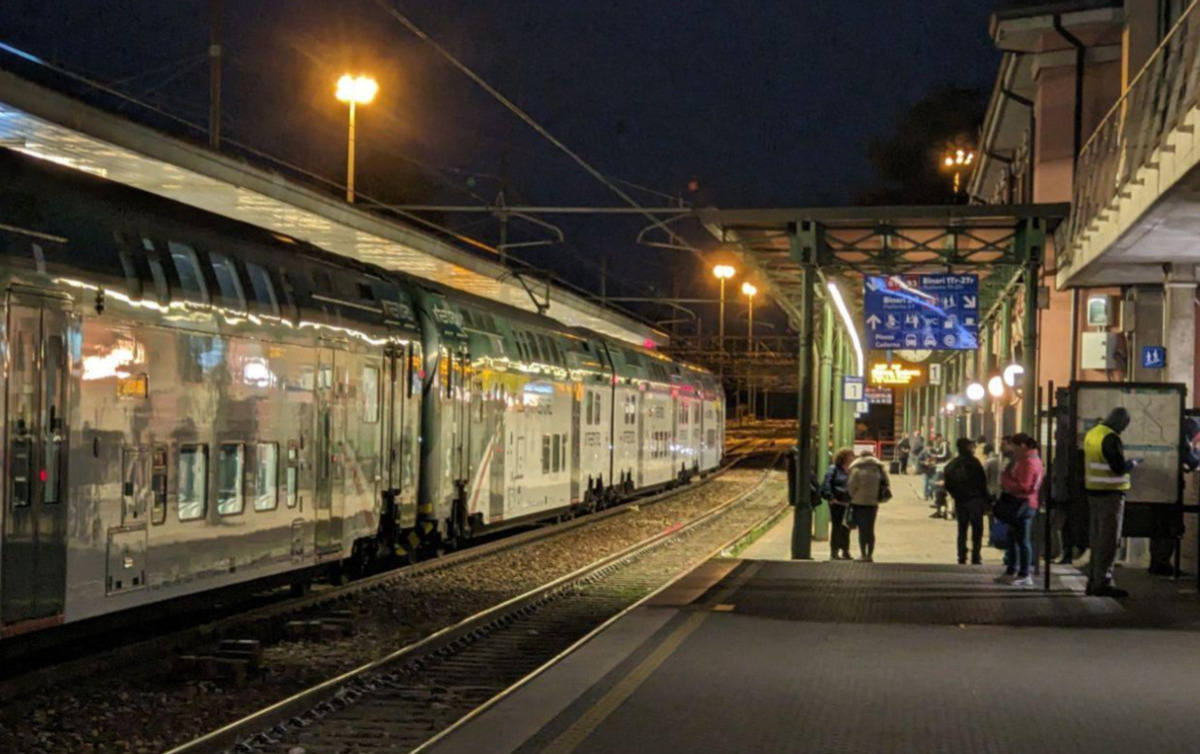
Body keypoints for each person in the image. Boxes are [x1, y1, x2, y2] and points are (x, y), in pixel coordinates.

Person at [1083, 408, 1140, 597]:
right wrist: (1132, 463)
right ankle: (1103, 583)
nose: (1123, 429)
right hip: (1110, 496)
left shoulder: (1093, 434)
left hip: (1093, 494)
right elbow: (1118, 468)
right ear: (1120, 421)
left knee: (1097, 540)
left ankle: (1093, 580)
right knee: (1108, 541)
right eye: (1124, 425)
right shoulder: (1110, 438)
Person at [1147, 417, 1200, 576]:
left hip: (1157, 488)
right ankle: (1162, 562)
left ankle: (1156, 561)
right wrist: (1195, 453)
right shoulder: (1183, 441)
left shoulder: (1169, 436)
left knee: (1157, 526)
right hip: (1169, 490)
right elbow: (1192, 462)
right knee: (1168, 526)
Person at [995, 433, 1044, 587]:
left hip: (1023, 504)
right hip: (1022, 503)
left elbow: (1025, 487)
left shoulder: (1028, 463)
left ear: (1023, 446)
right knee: (1013, 538)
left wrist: (1006, 480)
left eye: (1015, 446)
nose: (1013, 449)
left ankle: (1024, 574)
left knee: (1022, 540)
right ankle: (1012, 569)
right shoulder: (1026, 460)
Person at [944, 437, 989, 565]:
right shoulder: (974, 462)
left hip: (960, 500)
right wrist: (984, 498)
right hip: (975, 500)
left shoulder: (953, 464)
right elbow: (982, 481)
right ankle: (976, 555)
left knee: (962, 529)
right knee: (977, 529)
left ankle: (961, 555)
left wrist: (955, 495)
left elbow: (948, 482)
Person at [847, 449, 892, 562]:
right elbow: (886, 483)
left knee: (862, 529)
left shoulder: (856, 469)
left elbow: (851, 486)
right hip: (873, 503)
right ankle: (870, 554)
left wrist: (852, 497)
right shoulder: (879, 469)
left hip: (859, 503)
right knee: (870, 529)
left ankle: (863, 554)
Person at [820, 448, 855, 561]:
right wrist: (830, 497)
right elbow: (827, 483)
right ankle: (834, 551)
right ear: (843, 457)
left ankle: (845, 550)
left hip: (848, 502)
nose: (852, 457)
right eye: (850, 455)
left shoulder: (852, 470)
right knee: (837, 527)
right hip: (837, 502)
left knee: (846, 527)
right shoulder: (834, 469)